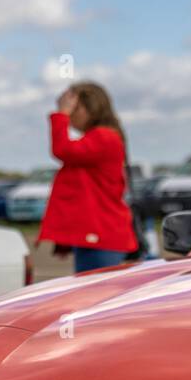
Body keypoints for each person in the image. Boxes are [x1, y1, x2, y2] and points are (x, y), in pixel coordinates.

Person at [38, 81, 137, 273]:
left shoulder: (104, 137)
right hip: (98, 235)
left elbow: (63, 150)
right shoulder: (102, 137)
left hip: (102, 236)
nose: (71, 113)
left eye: (74, 108)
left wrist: (61, 115)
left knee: (97, 297)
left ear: (89, 108)